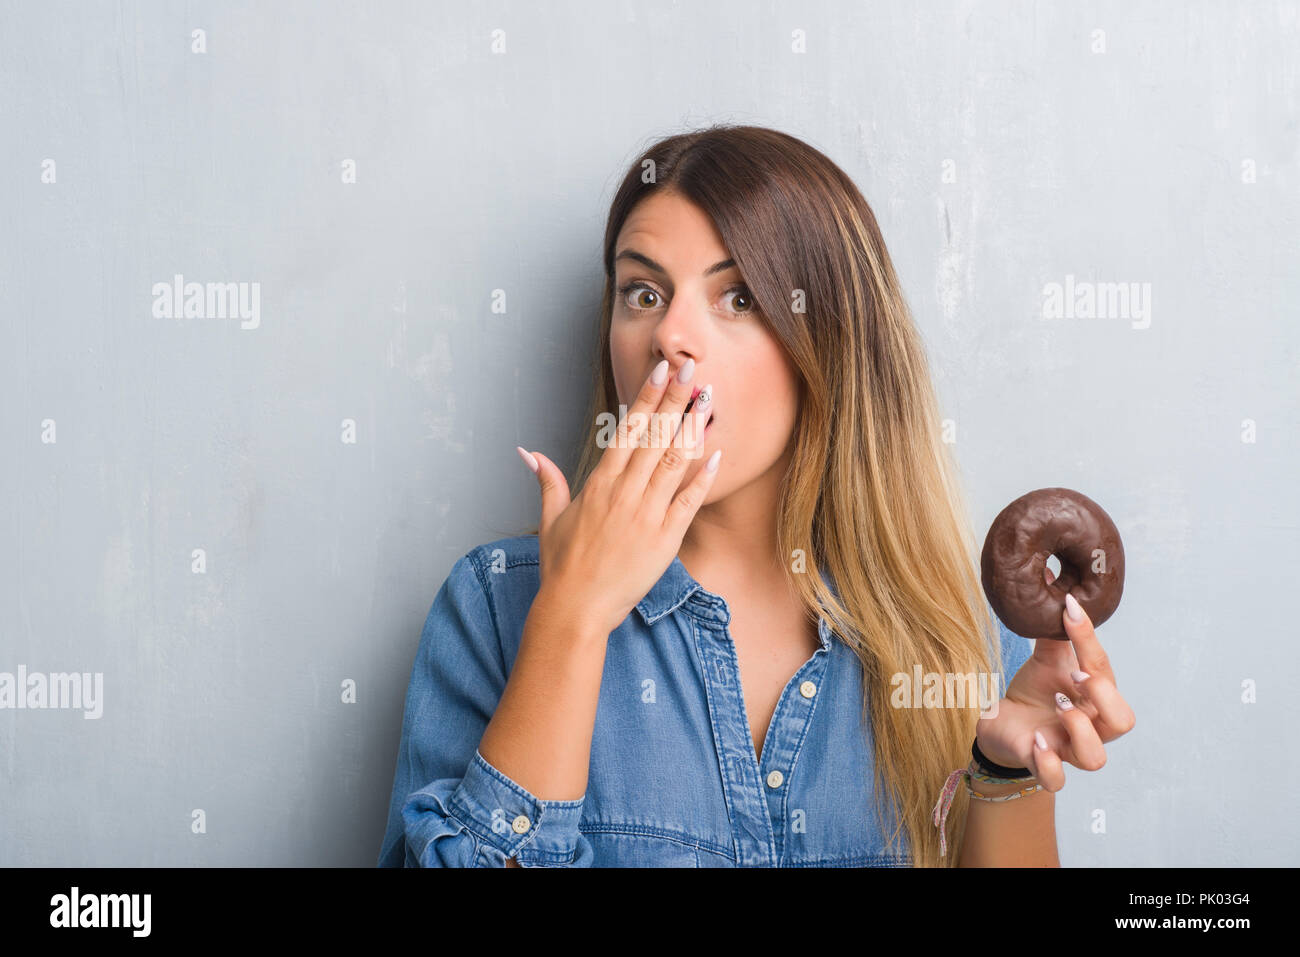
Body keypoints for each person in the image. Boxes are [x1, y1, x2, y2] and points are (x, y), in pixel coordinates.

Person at [376, 124, 1135, 868]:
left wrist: (1013, 774)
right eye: (642, 291)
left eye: (737, 298)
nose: (669, 336)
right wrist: (570, 619)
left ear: (830, 344)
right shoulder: (497, 607)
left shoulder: (963, 638)